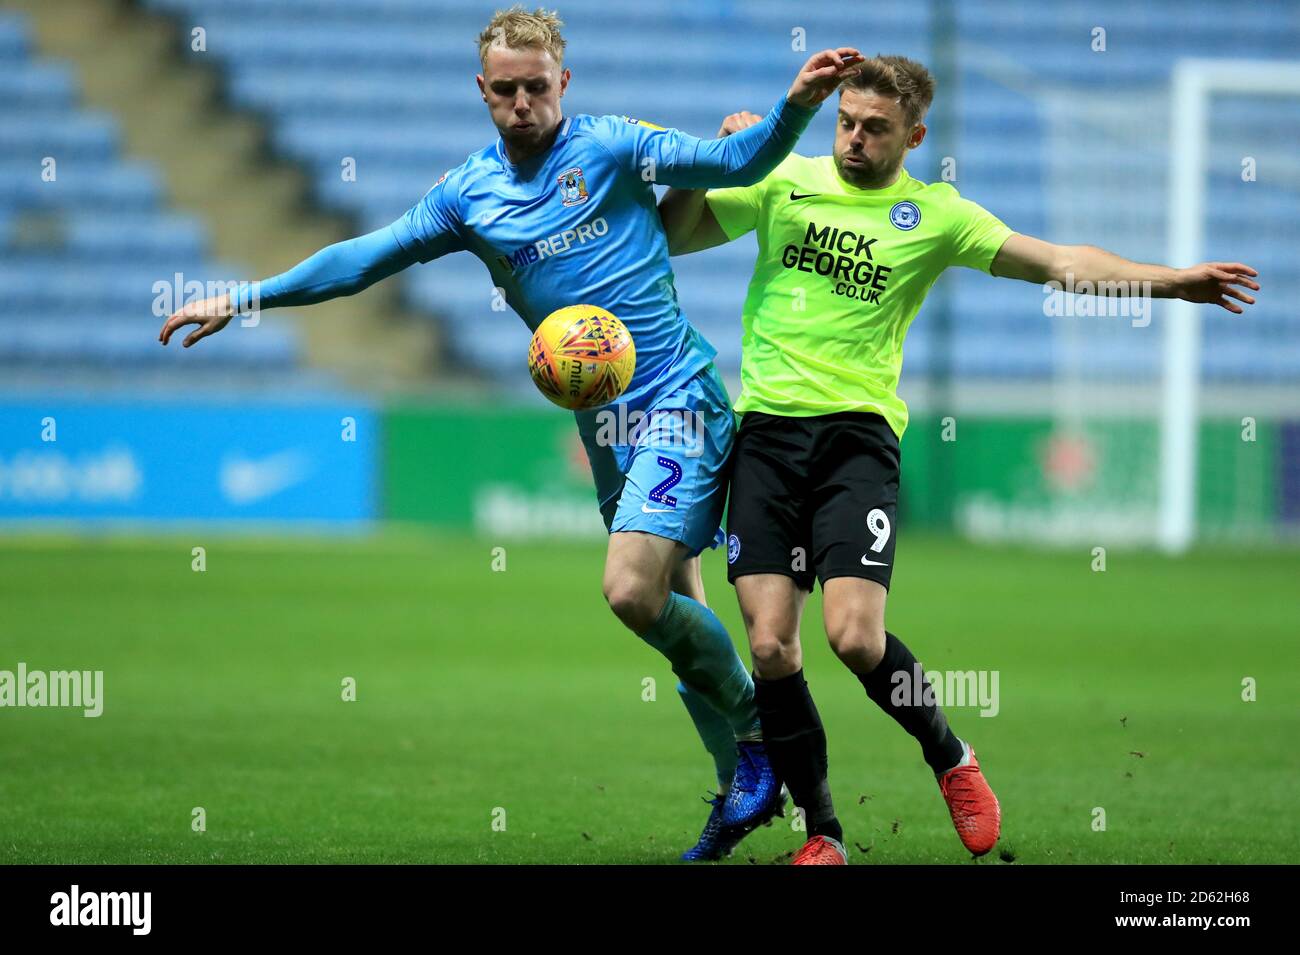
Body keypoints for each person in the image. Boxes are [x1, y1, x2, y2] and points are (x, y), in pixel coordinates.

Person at [158, 5, 864, 861]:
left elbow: (731, 161)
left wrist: (795, 105)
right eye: (506, 90)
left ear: (563, 82)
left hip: (678, 395)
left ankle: (760, 739)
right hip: (604, 423)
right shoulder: (468, 197)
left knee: (630, 590)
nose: (523, 102)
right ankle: (739, 791)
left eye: (538, 86)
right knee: (678, 614)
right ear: (482, 91)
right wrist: (243, 298)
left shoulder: (610, 144)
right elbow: (363, 256)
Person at [658, 53, 1259, 864]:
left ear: (914, 134)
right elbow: (673, 233)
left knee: (855, 638)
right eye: (845, 122)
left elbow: (1058, 262)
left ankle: (951, 756)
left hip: (856, 441)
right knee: (769, 645)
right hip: (765, 433)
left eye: (875, 128)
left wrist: (1169, 282)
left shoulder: (935, 215)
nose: (855, 140)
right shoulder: (781, 177)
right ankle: (824, 834)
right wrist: (714, 159)